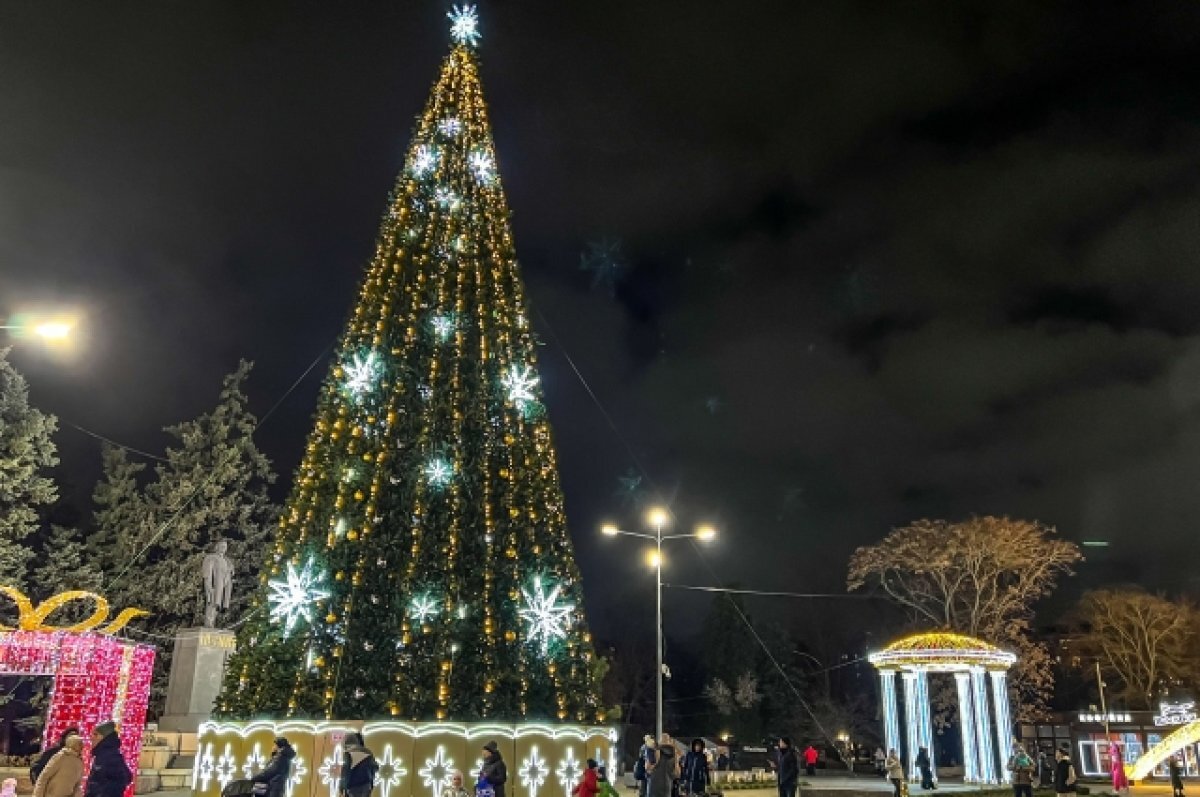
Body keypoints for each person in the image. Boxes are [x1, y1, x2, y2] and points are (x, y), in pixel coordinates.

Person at [83, 723, 131, 797]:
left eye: (96, 734)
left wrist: (101, 793)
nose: (92, 738)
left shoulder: (110, 756)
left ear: (104, 737)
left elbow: (124, 778)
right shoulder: (102, 754)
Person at [341, 733, 378, 797]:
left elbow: (346, 770)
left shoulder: (349, 753)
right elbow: (376, 767)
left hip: (353, 785)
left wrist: (342, 785)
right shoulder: (368, 752)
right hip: (366, 785)